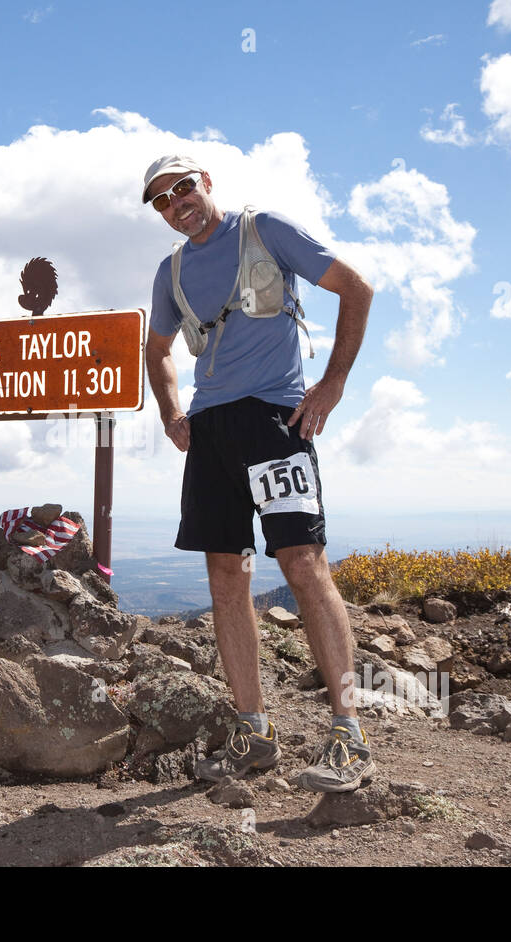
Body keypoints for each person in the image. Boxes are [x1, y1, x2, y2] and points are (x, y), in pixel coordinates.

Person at [141, 154, 375, 793]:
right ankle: (255, 732)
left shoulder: (264, 230)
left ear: (206, 184)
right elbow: (157, 351)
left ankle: (348, 737)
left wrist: (331, 385)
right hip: (211, 433)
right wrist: (170, 411)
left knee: (302, 565)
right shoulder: (172, 272)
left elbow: (356, 288)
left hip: (276, 422)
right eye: (162, 199)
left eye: (183, 188)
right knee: (225, 576)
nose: (176, 202)